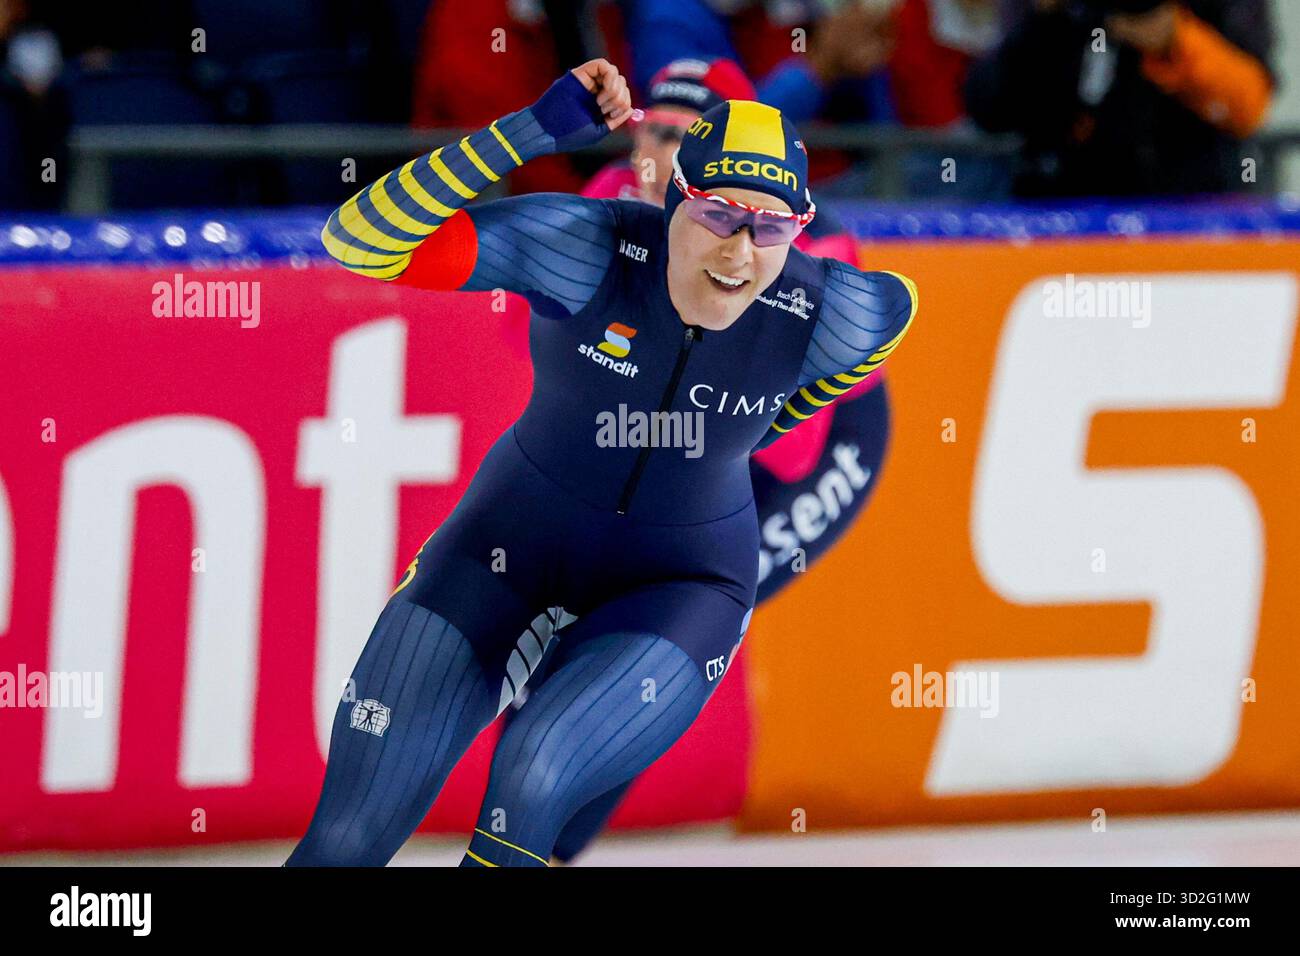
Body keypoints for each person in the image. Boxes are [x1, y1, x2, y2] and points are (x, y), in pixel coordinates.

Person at [287, 58, 917, 867]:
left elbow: (894, 318)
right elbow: (357, 240)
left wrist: (756, 423)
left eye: (769, 228)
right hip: (505, 546)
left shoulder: (835, 304)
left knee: (534, 772)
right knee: (344, 837)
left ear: (799, 227)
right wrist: (530, 130)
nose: (740, 251)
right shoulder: (585, 246)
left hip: (681, 581)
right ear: (672, 199)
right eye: (721, 216)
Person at [511, 55, 894, 864]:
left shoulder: (808, 251)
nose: (657, 155)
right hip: (668, 445)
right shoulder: (605, 210)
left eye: (685, 138)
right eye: (651, 131)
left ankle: (548, 849)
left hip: (795, 458)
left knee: (621, 663)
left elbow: (813, 424)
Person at [965, 0, 1275, 197]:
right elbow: (989, 108)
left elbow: (1249, 109)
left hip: (1192, 215)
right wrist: (1043, 21)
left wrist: (1176, 41)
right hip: (1064, 215)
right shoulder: (1051, 16)